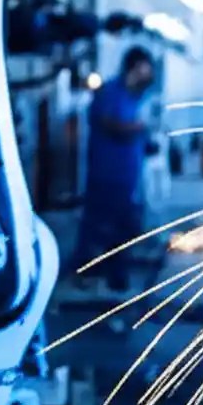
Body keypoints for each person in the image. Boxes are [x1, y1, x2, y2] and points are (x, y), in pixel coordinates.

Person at [76, 46, 156, 293]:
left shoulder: (134, 97)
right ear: (135, 67)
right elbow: (110, 124)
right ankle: (87, 272)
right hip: (106, 175)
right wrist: (137, 128)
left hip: (126, 176)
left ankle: (113, 275)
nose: (149, 73)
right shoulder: (110, 92)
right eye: (146, 68)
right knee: (100, 226)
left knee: (124, 227)